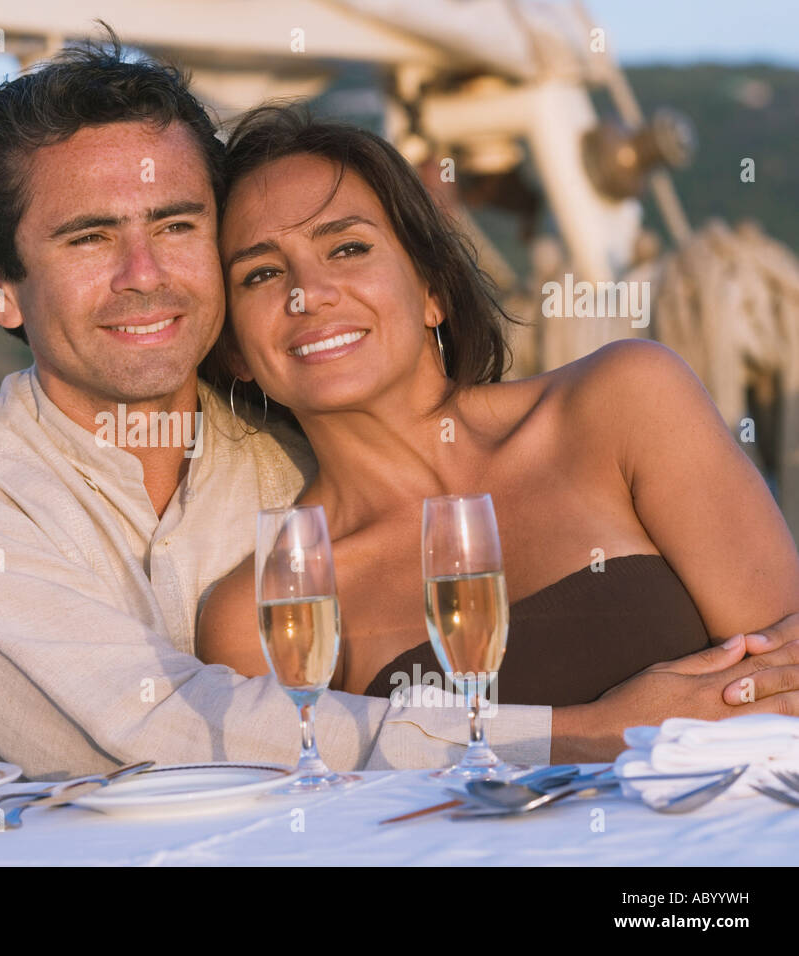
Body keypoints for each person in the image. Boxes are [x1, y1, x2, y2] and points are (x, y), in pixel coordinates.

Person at [0, 32, 799, 779]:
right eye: (90, 238)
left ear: (432, 285)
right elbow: (169, 736)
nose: (144, 277)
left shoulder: (611, 402)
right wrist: (592, 734)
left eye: (177, 227)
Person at [197, 103, 799, 759]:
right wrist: (600, 731)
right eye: (260, 273)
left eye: (348, 248)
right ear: (233, 351)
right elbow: (320, 823)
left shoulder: (625, 404)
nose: (307, 292)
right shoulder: (271, 603)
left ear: (433, 289)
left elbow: (785, 678)